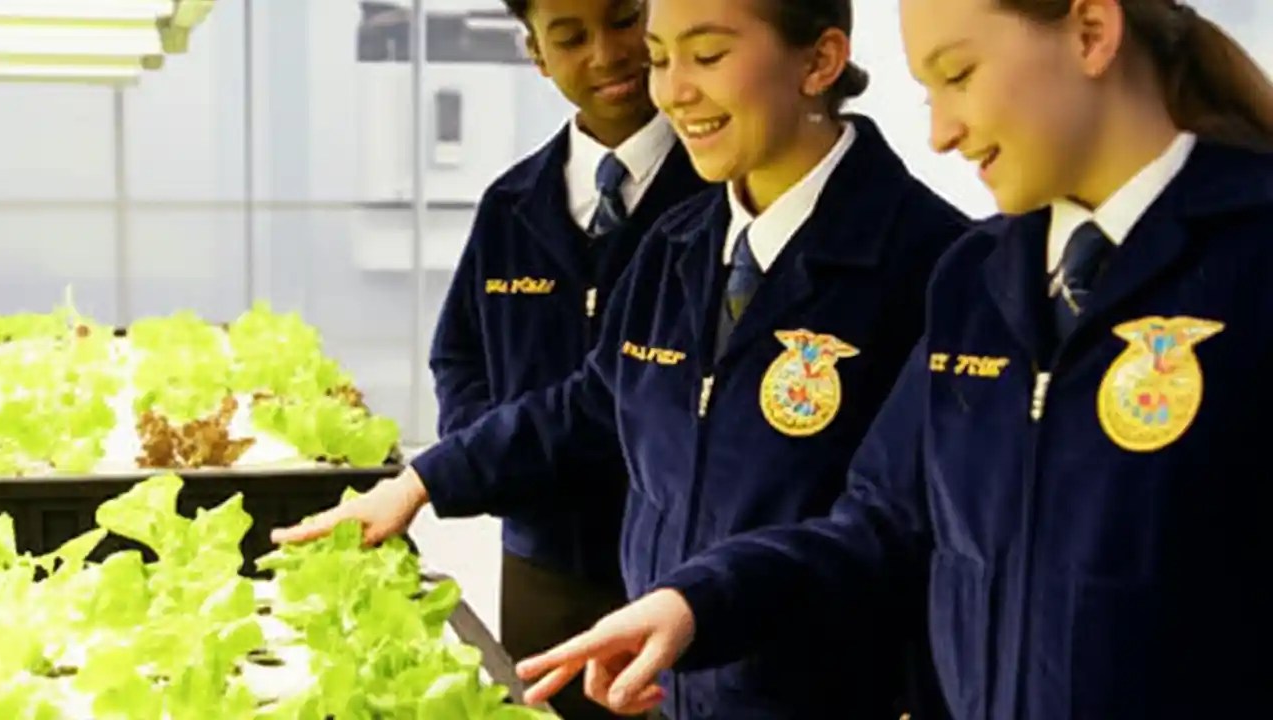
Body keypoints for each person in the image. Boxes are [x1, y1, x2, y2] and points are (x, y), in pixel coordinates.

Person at [513, 1, 1273, 718]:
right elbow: (885, 522)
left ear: (1091, 32)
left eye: (960, 75)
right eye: (926, 91)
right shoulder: (977, 280)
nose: (941, 132)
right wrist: (694, 604)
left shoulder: (1252, 261)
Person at [275, 0, 968, 717]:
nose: (671, 90)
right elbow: (594, 403)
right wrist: (421, 481)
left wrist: (697, 604)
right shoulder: (676, 248)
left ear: (820, 62)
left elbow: (894, 528)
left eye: (707, 56)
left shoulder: (934, 266)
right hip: (674, 684)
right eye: (663, 57)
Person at [421, 1, 708, 717]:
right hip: (542, 567)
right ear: (537, 56)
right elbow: (458, 352)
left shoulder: (718, 196)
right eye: (571, 38)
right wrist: (486, 451)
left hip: (678, 568)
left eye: (624, 21)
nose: (608, 54)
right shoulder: (512, 204)